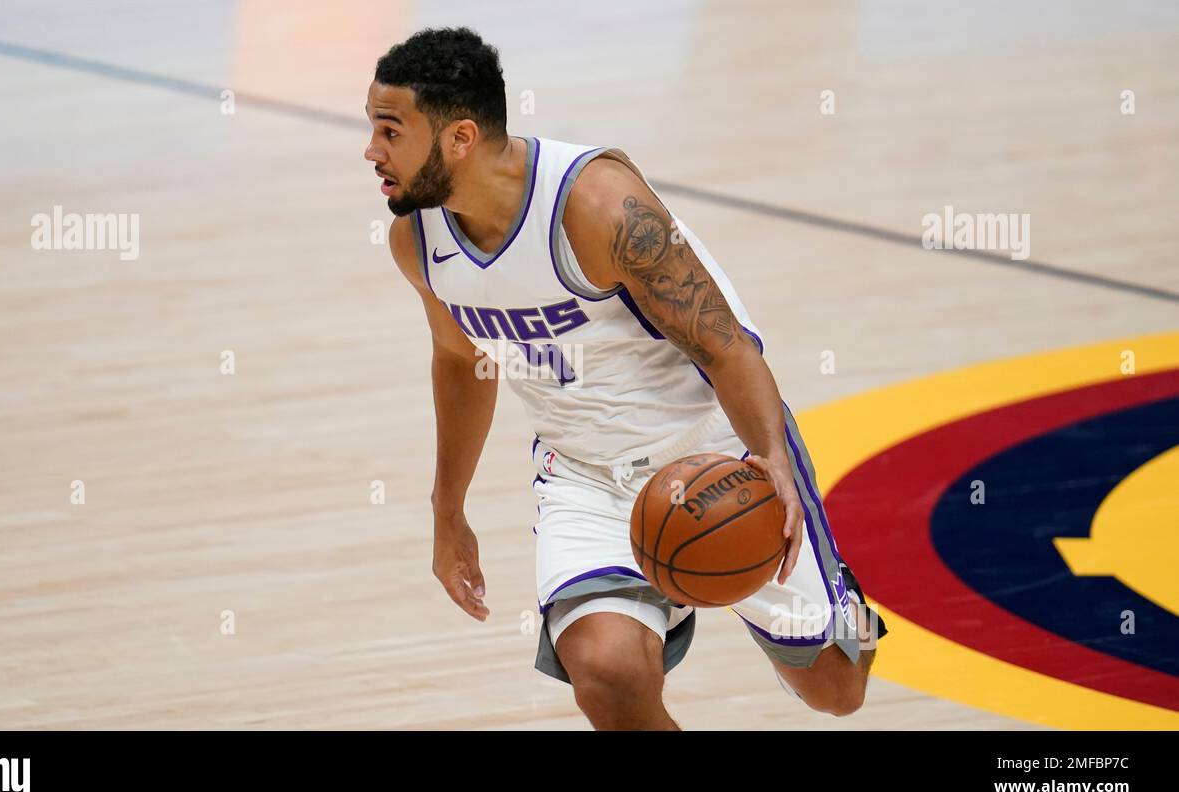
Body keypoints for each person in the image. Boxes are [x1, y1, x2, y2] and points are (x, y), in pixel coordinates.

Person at [366, 27, 887, 730]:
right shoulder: (418, 241)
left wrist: (771, 459)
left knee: (837, 691)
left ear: (459, 137)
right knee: (607, 674)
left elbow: (725, 345)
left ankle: (843, 605)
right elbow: (462, 360)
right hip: (585, 475)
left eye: (389, 130)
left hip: (716, 457)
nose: (372, 151)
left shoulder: (599, 207)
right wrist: (446, 509)